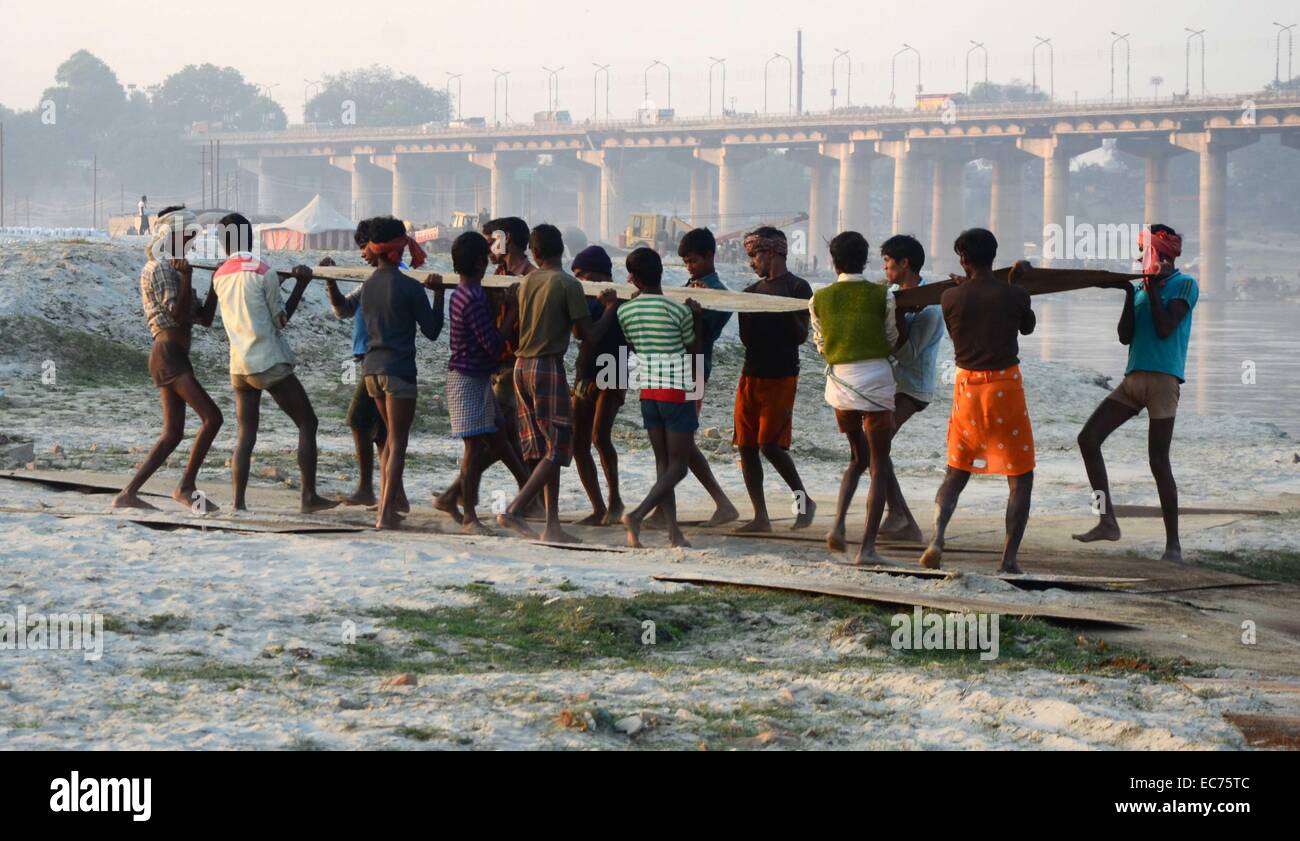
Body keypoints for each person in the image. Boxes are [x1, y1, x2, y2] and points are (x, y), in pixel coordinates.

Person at [1073, 224, 1197, 562]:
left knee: (1158, 461)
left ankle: (1173, 545)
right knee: (1088, 439)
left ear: (1159, 253)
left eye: (1144, 251)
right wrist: (1131, 294)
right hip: (1133, 378)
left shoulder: (1185, 285)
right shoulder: (1142, 289)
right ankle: (1106, 519)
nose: (1139, 256)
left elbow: (1165, 326)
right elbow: (1125, 336)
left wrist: (1152, 288)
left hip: (1163, 381)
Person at [921, 228, 1036, 574]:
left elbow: (966, 312)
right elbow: (1027, 327)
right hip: (1005, 389)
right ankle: (1008, 560)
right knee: (1020, 476)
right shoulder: (1014, 294)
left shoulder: (949, 298)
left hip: (968, 390)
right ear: (993, 255)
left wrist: (963, 284)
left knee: (957, 469)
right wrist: (1019, 285)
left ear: (963, 259)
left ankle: (938, 538)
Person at [208, 213, 336, 514]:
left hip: (239, 365)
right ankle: (308, 497)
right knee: (308, 422)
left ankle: (238, 502)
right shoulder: (263, 272)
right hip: (268, 362)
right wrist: (301, 284)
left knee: (246, 433)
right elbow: (281, 321)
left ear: (223, 242)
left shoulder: (219, 275)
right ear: (249, 238)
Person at [114, 207, 224, 511]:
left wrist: (216, 281)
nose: (192, 242)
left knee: (173, 433)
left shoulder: (177, 269)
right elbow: (176, 315)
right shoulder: (160, 268)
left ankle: (127, 494)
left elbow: (204, 318)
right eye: (188, 236)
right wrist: (187, 278)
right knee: (213, 418)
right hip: (167, 355)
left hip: (175, 357)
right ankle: (186, 487)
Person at [811, 231, 909, 564]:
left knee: (857, 458)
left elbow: (822, 345)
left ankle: (837, 528)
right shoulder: (882, 295)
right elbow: (893, 339)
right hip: (876, 386)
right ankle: (867, 549)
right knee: (878, 466)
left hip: (840, 387)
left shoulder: (818, 298)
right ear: (866, 260)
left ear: (833, 261)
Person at [495, 223, 595, 543]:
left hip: (520, 367)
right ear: (561, 249)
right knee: (560, 444)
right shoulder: (568, 284)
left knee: (542, 449)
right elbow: (583, 334)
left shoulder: (526, 283)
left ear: (534, 253)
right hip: (546, 366)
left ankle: (552, 524)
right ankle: (515, 507)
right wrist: (607, 310)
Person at [435, 216, 534, 519]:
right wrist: (510, 309)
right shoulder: (487, 284)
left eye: (495, 239)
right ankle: (470, 507)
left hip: (501, 366)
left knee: (501, 437)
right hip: (486, 368)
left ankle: (523, 491)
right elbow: (490, 338)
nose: (493, 246)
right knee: (488, 442)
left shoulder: (524, 276)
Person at [358, 216, 444, 529]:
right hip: (399, 370)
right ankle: (384, 514)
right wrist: (438, 293)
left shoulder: (367, 285)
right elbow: (433, 331)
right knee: (397, 443)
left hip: (371, 370)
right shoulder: (410, 287)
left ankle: (388, 508)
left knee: (388, 441)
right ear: (398, 249)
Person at [617, 247, 703, 548]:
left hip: (648, 392)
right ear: (661, 272)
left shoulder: (624, 310)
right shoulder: (678, 310)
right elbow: (694, 349)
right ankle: (638, 515)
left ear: (634, 278)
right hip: (675, 390)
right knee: (678, 466)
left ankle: (673, 532)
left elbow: (632, 343)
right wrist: (697, 316)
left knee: (663, 463)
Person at [732, 226, 816, 533]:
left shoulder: (798, 287)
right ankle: (760, 517)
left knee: (769, 445)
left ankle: (804, 502)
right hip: (750, 374)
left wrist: (777, 311)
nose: (752, 262)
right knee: (746, 445)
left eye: (754, 255)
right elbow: (745, 339)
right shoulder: (750, 293)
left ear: (771, 253)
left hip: (782, 375)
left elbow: (799, 334)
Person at [880, 234, 945, 540]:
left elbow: (907, 354)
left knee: (877, 444)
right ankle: (898, 516)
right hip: (893, 383)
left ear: (905, 264)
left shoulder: (930, 308)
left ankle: (901, 518)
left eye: (888, 263)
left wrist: (899, 318)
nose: (885, 269)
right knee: (875, 445)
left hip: (914, 388)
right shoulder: (892, 294)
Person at [674, 228, 740, 527]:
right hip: (678, 368)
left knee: (681, 438)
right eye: (686, 262)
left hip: (696, 370)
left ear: (711, 256)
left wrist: (696, 312)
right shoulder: (691, 285)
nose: (690, 267)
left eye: (694, 260)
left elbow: (703, 337)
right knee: (676, 439)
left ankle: (722, 503)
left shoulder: (720, 294)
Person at [323, 220, 389, 506]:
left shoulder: (390, 280)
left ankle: (370, 489)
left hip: (379, 360)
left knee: (359, 421)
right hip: (368, 359)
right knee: (381, 432)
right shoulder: (369, 281)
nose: (362, 255)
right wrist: (330, 280)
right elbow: (343, 309)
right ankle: (388, 492)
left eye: (365, 248)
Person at [569, 245, 626, 526]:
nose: (578, 280)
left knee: (600, 437)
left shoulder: (621, 298)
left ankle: (615, 501)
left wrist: (612, 307)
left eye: (581, 274)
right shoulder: (584, 297)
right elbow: (580, 333)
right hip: (586, 369)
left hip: (613, 368)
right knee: (578, 444)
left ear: (595, 273)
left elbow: (592, 336)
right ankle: (598, 506)